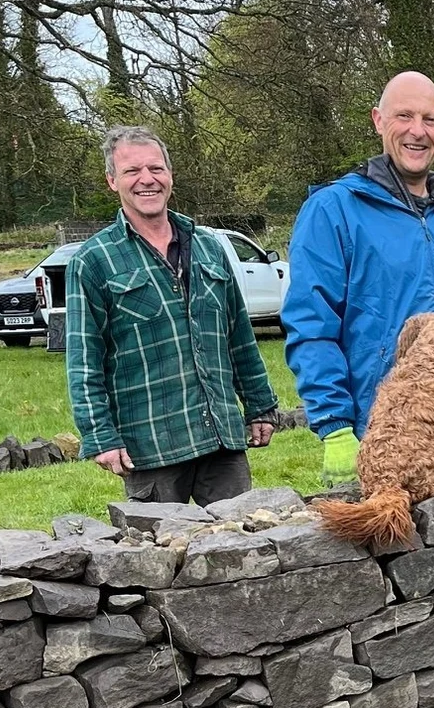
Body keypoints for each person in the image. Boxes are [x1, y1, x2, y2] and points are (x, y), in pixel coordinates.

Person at [283, 70, 434, 482]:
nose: (417, 131)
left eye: (430, 120)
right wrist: (334, 427)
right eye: (404, 116)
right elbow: (312, 326)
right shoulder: (334, 211)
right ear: (378, 121)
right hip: (380, 441)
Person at [66, 126, 277, 505]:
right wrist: (100, 436)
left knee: (242, 551)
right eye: (132, 171)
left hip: (221, 440)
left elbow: (239, 337)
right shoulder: (93, 261)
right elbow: (84, 364)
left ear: (170, 175)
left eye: (156, 169)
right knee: (162, 558)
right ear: (112, 181)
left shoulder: (209, 247)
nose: (147, 179)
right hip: (151, 447)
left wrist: (260, 405)